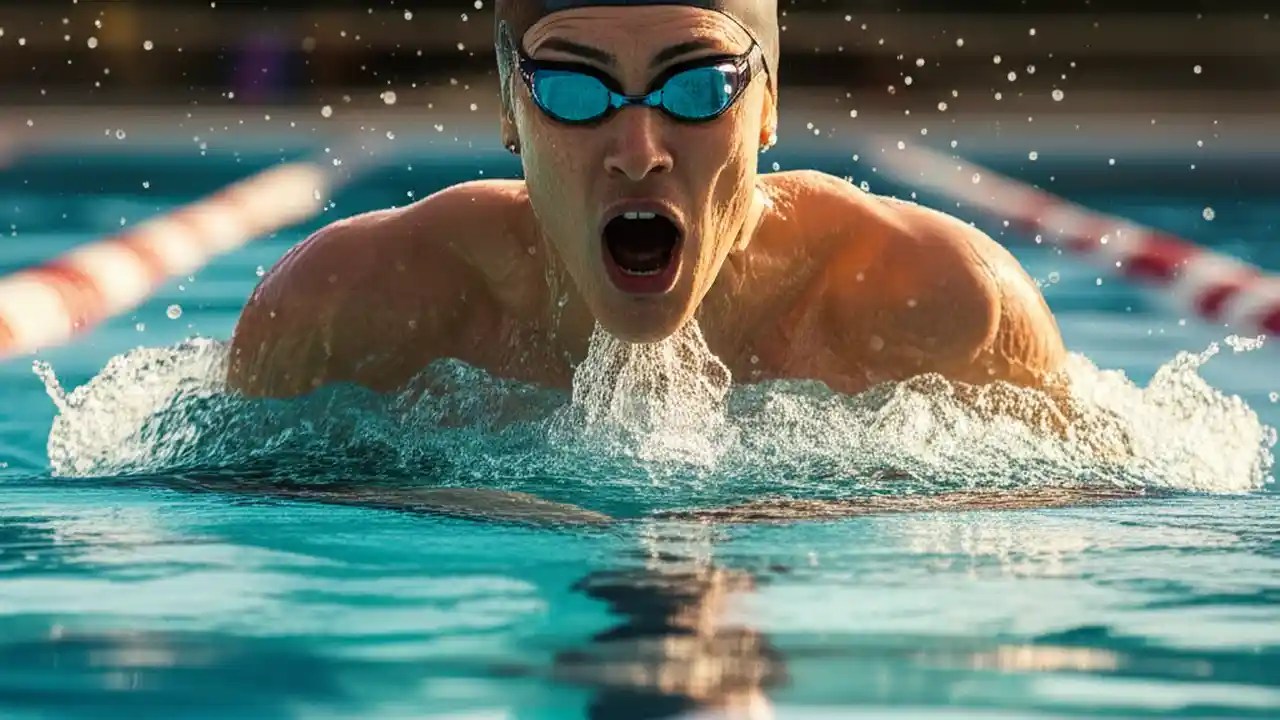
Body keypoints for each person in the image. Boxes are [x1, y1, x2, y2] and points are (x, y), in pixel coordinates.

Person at [226, 0, 1066, 402]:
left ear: (768, 106)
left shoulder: (945, 305)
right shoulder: (344, 313)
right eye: (574, 89)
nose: (638, 153)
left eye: (697, 86)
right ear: (510, 114)